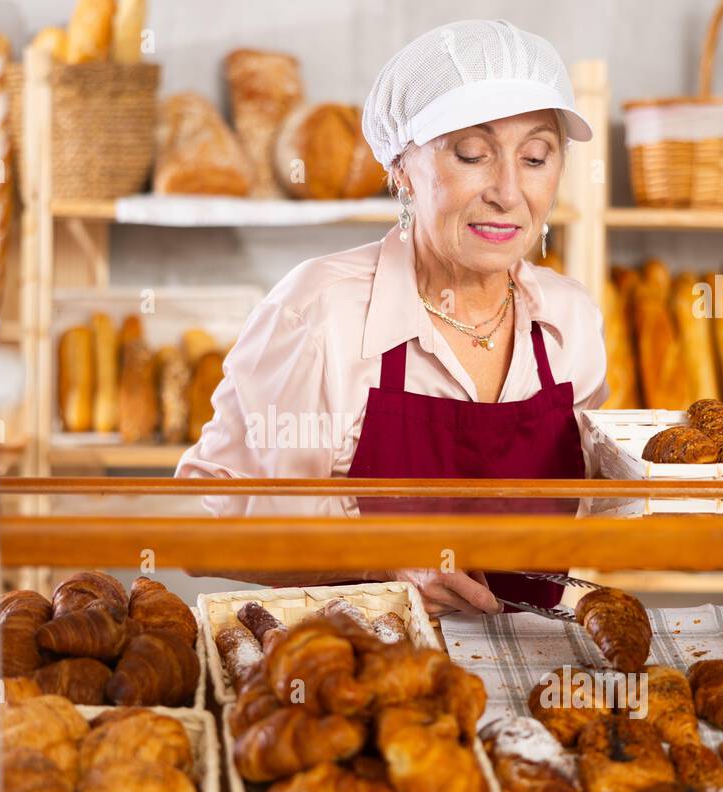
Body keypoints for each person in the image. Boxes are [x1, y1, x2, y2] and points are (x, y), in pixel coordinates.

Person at [177, 19, 607, 616]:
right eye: (472, 154)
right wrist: (381, 562)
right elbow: (200, 526)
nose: (509, 191)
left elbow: (606, 492)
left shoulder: (569, 319)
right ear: (402, 168)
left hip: (536, 682)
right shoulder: (320, 311)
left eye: (536, 156)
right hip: (361, 678)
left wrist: (706, 453)